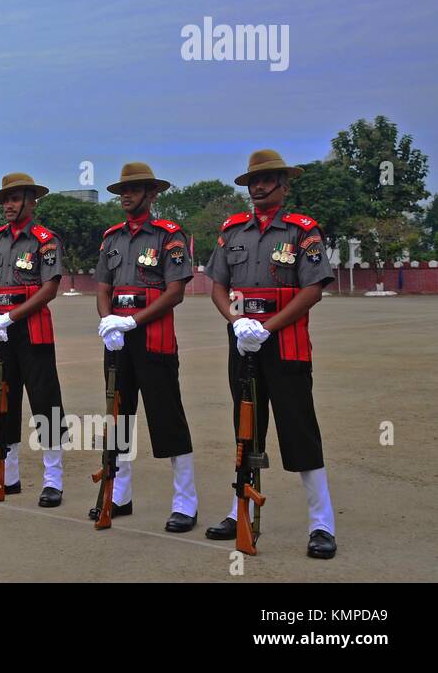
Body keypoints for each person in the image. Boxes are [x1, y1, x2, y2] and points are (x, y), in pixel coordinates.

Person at [202, 149, 337, 560]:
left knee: (299, 428)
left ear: (284, 184)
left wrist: (267, 327)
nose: (258, 187)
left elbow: (312, 289)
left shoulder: (302, 231)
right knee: (246, 430)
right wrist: (236, 321)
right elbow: (217, 285)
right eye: (253, 182)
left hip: (286, 343)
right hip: (243, 342)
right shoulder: (233, 230)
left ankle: (321, 523)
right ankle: (238, 508)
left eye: (267, 180)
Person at [92, 162, 198, 533]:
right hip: (118, 340)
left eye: (135, 189)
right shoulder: (111, 238)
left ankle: (185, 501)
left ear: (152, 194)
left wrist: (133, 321)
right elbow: (102, 286)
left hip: (153, 340)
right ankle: (119, 495)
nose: (126, 195)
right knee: (118, 417)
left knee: (167, 416)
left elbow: (175, 292)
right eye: (123, 189)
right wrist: (108, 321)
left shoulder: (169, 236)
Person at [0, 173, 67, 507]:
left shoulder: (45, 240)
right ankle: (7, 476)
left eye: (15, 200)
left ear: (32, 201)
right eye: (5, 201)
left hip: (33, 329)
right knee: (4, 401)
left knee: (46, 402)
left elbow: (49, 288)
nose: (9, 206)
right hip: (1, 331)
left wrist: (10, 317)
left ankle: (53, 479)